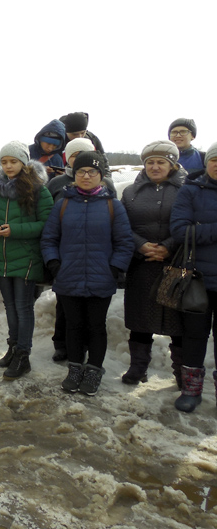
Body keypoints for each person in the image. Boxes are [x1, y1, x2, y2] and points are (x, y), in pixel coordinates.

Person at [41, 151, 134, 396]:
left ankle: (93, 370)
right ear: (74, 175)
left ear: (101, 176)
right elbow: (49, 238)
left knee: (95, 326)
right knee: (72, 325)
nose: (87, 176)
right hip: (68, 276)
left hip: (100, 277)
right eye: (82, 171)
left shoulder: (112, 205)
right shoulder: (64, 204)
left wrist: (113, 268)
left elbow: (125, 242)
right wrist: (54, 264)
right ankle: (74, 368)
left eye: (92, 172)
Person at [121, 140, 186, 386]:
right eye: (150, 162)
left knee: (177, 321)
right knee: (140, 318)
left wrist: (168, 245)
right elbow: (123, 225)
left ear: (172, 165)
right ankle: (138, 367)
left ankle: (181, 372)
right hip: (142, 264)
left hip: (177, 263)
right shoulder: (130, 192)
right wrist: (140, 244)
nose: (155, 167)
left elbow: (190, 222)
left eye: (161, 162)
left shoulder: (186, 189)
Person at [0, 141, 53, 380]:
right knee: (10, 307)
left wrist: (14, 230)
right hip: (2, 257)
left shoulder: (38, 189)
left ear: (24, 162)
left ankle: (23, 356)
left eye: (13, 161)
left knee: (23, 309)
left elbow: (46, 224)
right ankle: (13, 348)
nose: (8, 166)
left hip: (26, 258)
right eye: (4, 162)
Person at [45, 137, 115, 362]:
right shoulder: (57, 185)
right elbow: (50, 227)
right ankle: (62, 345)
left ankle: (89, 354)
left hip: (96, 263)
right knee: (65, 310)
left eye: (85, 157)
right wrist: (54, 262)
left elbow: (119, 233)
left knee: (92, 318)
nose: (84, 170)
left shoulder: (108, 192)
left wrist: (114, 266)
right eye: (74, 157)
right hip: (67, 259)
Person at [169, 142, 217, 413]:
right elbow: (180, 231)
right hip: (197, 277)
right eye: (214, 159)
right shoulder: (191, 190)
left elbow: (194, 230)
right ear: (207, 162)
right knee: (194, 335)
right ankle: (191, 389)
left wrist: (203, 229)